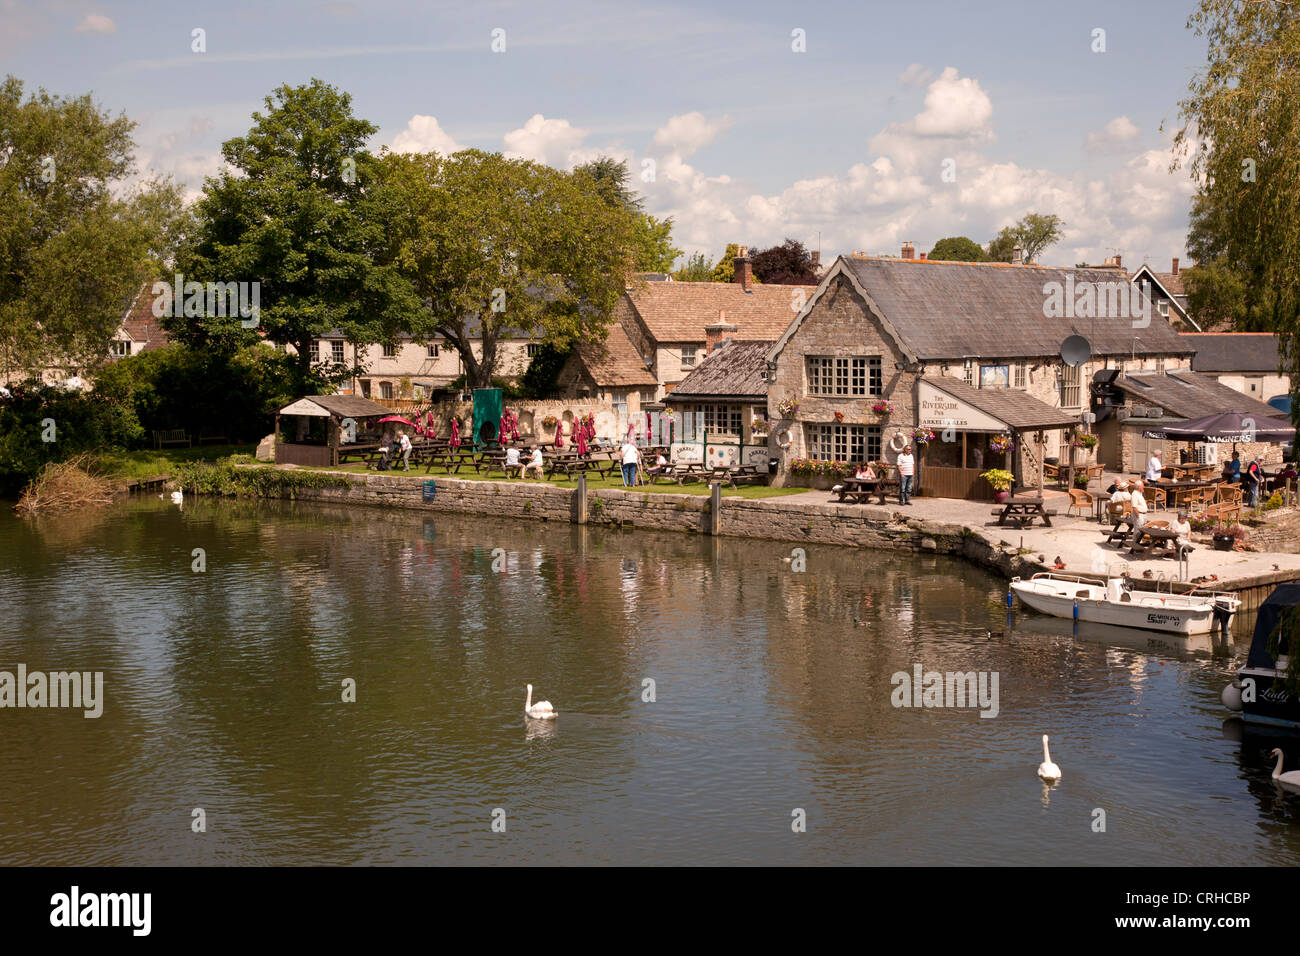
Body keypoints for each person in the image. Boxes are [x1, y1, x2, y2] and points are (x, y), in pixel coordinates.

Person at [1128, 479, 1149, 545]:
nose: (1143, 487)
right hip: (1139, 514)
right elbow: (1134, 507)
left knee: (1141, 530)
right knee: (1138, 531)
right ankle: (1135, 545)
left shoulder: (1139, 493)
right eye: (1142, 486)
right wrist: (1138, 516)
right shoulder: (1134, 494)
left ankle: (1138, 544)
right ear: (1138, 487)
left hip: (1143, 514)